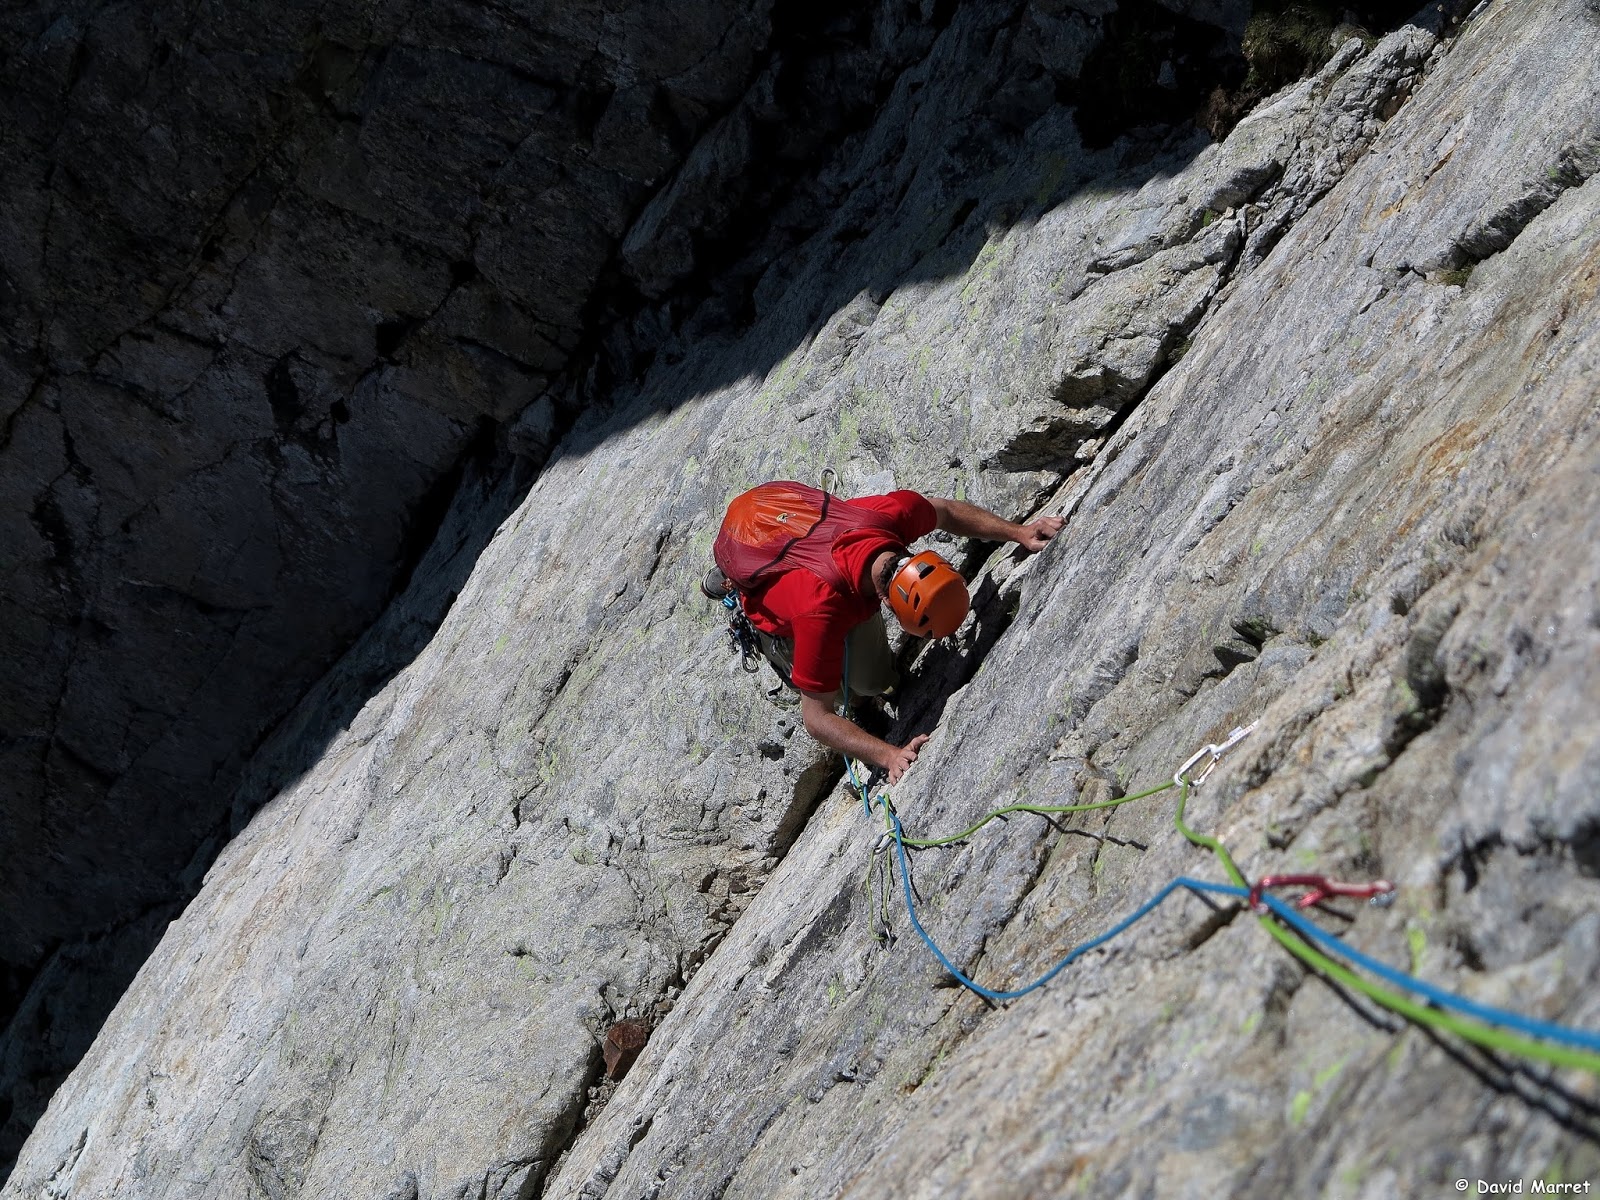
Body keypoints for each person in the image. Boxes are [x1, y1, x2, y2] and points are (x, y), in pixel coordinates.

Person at [705, 483, 1063, 783]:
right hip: (774, 578)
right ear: (890, 604)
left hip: (778, 517)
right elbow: (817, 718)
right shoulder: (817, 609)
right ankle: (735, 582)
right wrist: (888, 755)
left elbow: (945, 511)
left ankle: (745, 569)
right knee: (858, 684)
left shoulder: (890, 518)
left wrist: (1019, 532)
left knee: (871, 672)